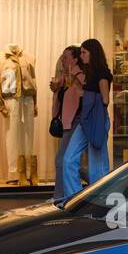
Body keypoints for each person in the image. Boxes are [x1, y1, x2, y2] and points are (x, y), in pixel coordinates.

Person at [61, 38, 113, 199]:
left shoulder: (102, 73)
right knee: (69, 159)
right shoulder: (90, 73)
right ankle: (75, 198)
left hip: (96, 119)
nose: (81, 55)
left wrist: (83, 92)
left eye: (84, 52)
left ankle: (100, 199)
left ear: (93, 53)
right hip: (87, 120)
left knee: (97, 165)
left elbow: (105, 99)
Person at [50, 46, 83, 203]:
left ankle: (60, 198)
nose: (62, 60)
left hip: (75, 122)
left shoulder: (78, 76)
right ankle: (63, 196)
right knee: (67, 160)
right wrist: (56, 88)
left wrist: (74, 85)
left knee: (62, 160)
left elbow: (84, 96)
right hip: (67, 122)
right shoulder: (64, 77)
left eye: (66, 57)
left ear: (75, 59)